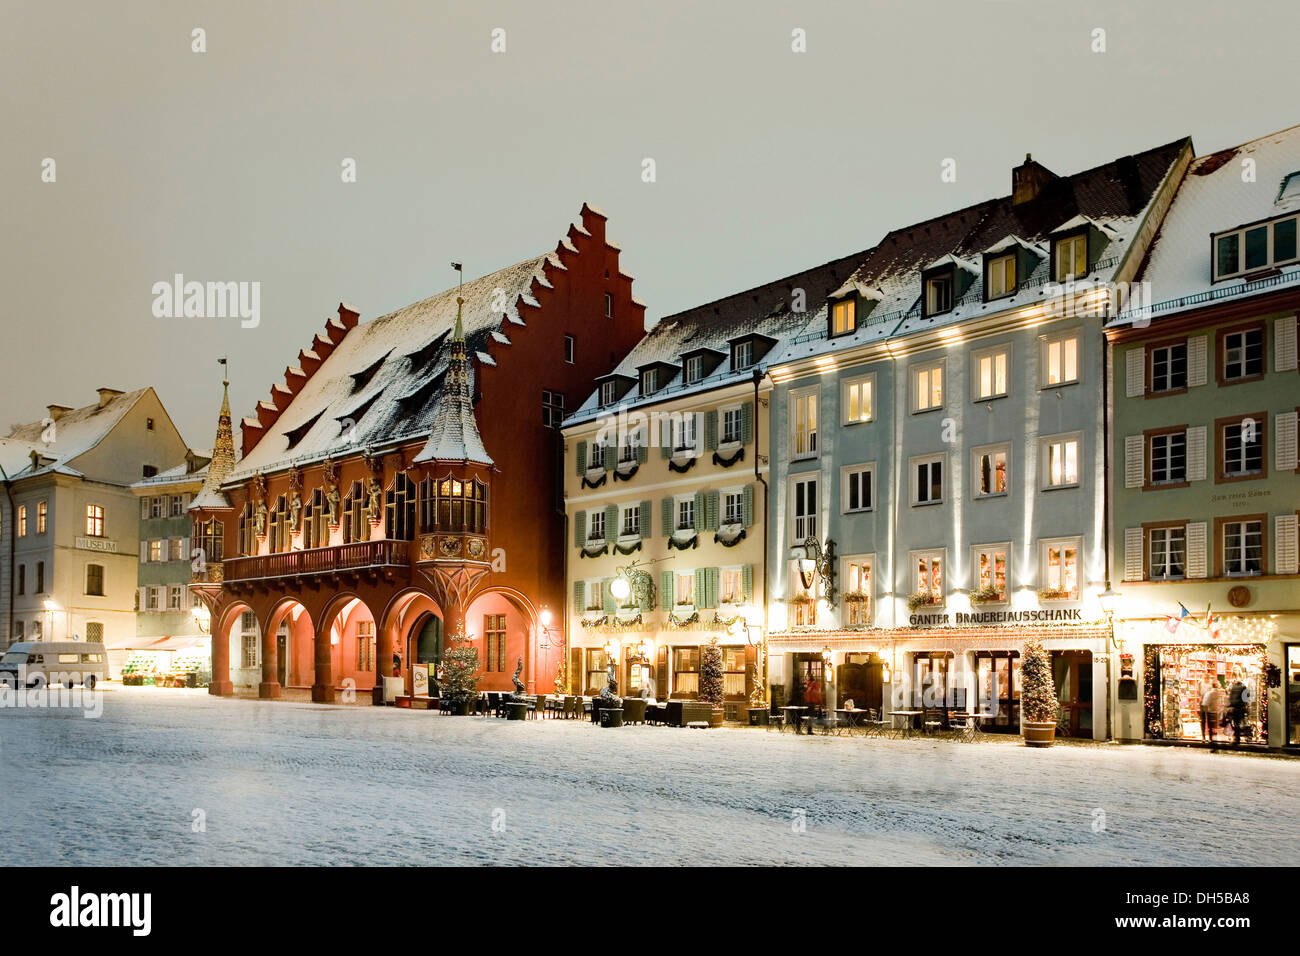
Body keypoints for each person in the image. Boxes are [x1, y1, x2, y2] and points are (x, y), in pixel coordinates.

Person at [1227, 679, 1248, 744]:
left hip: (1233, 707)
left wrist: (1230, 705)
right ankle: (1238, 736)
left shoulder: (1233, 687)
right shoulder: (1244, 687)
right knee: (1240, 722)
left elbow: (1230, 697)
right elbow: (1245, 698)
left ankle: (1236, 736)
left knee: (1235, 722)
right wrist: (1245, 705)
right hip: (1240, 707)